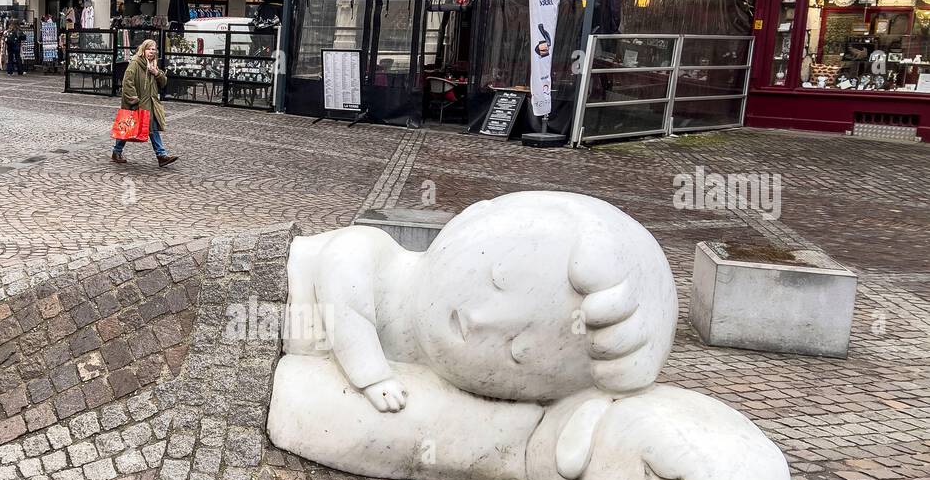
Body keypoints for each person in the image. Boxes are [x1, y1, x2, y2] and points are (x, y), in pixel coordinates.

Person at [282, 191, 677, 412]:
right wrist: (371, 374)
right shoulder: (372, 251)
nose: (481, 321)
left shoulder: (442, 387)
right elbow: (342, 294)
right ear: (470, 218)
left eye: (518, 351)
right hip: (272, 285)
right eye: (498, 278)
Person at [111, 37, 178, 167]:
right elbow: (127, 82)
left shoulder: (154, 65)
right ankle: (117, 151)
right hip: (137, 103)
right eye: (149, 49)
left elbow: (163, 82)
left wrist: (156, 73)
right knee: (128, 127)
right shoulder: (135, 63)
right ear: (143, 49)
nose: (152, 52)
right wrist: (134, 99)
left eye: (154, 49)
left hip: (150, 103)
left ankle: (161, 155)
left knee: (152, 128)